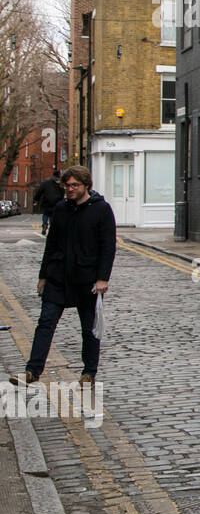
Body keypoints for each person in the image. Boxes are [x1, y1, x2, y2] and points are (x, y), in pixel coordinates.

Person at [10, 166, 115, 387]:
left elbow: (108, 247)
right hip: (58, 277)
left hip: (87, 279)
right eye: (67, 185)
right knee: (45, 323)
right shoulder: (60, 209)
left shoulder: (102, 209)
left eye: (74, 185)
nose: (69, 189)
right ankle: (32, 371)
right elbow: (52, 244)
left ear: (86, 185)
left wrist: (102, 278)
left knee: (89, 328)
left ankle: (89, 373)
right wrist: (43, 276)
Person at [34, 168, 63, 236]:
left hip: (47, 201)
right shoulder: (59, 182)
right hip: (57, 201)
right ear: (59, 175)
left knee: (46, 214)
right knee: (53, 215)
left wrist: (36, 199)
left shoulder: (45, 182)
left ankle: (44, 225)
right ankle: (52, 228)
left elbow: (39, 191)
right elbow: (62, 191)